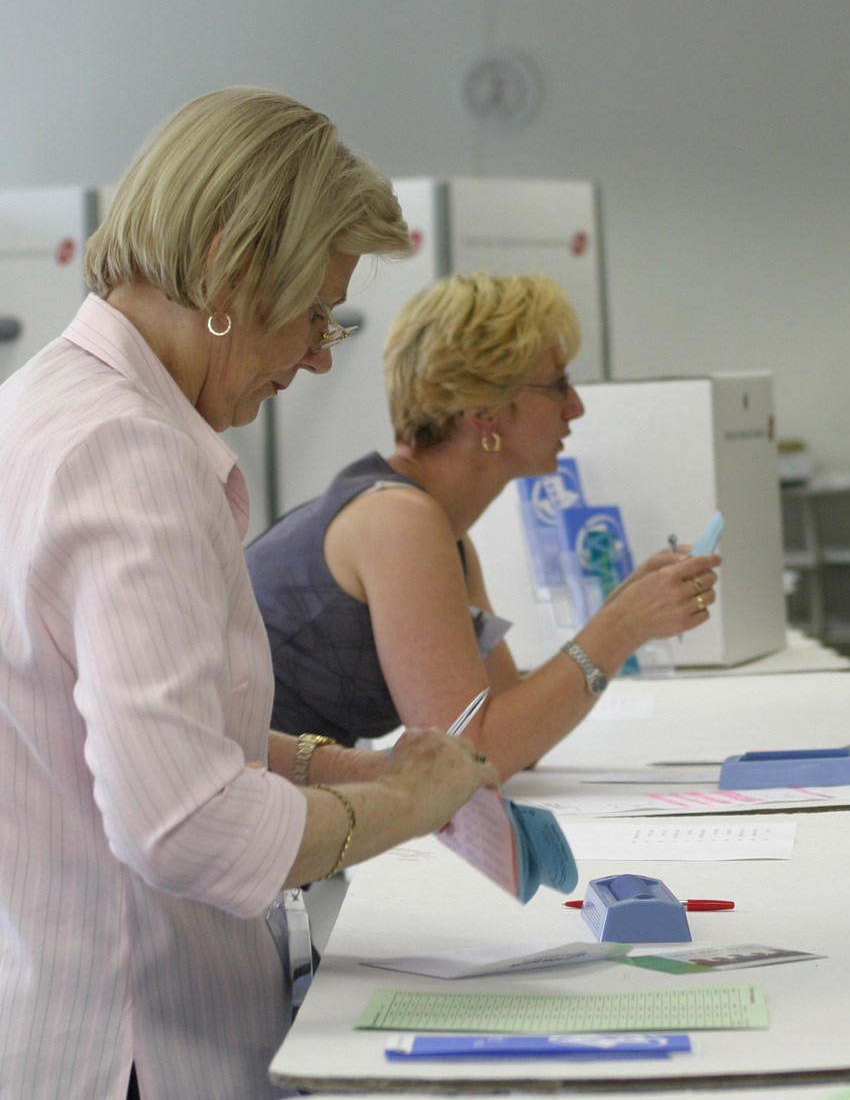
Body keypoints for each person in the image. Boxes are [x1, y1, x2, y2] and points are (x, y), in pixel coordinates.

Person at [0, 88, 501, 1100]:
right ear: (231, 273)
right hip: (133, 1059)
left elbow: (116, 729)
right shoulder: (126, 452)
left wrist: (332, 766)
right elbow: (181, 824)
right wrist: (406, 806)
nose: (320, 355)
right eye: (315, 311)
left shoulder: (51, 402)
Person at [245, 271, 720, 778]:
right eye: (558, 386)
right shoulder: (398, 521)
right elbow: (471, 755)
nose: (575, 407)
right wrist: (620, 627)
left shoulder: (440, 530)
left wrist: (623, 611)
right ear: (484, 412)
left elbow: (515, 739)